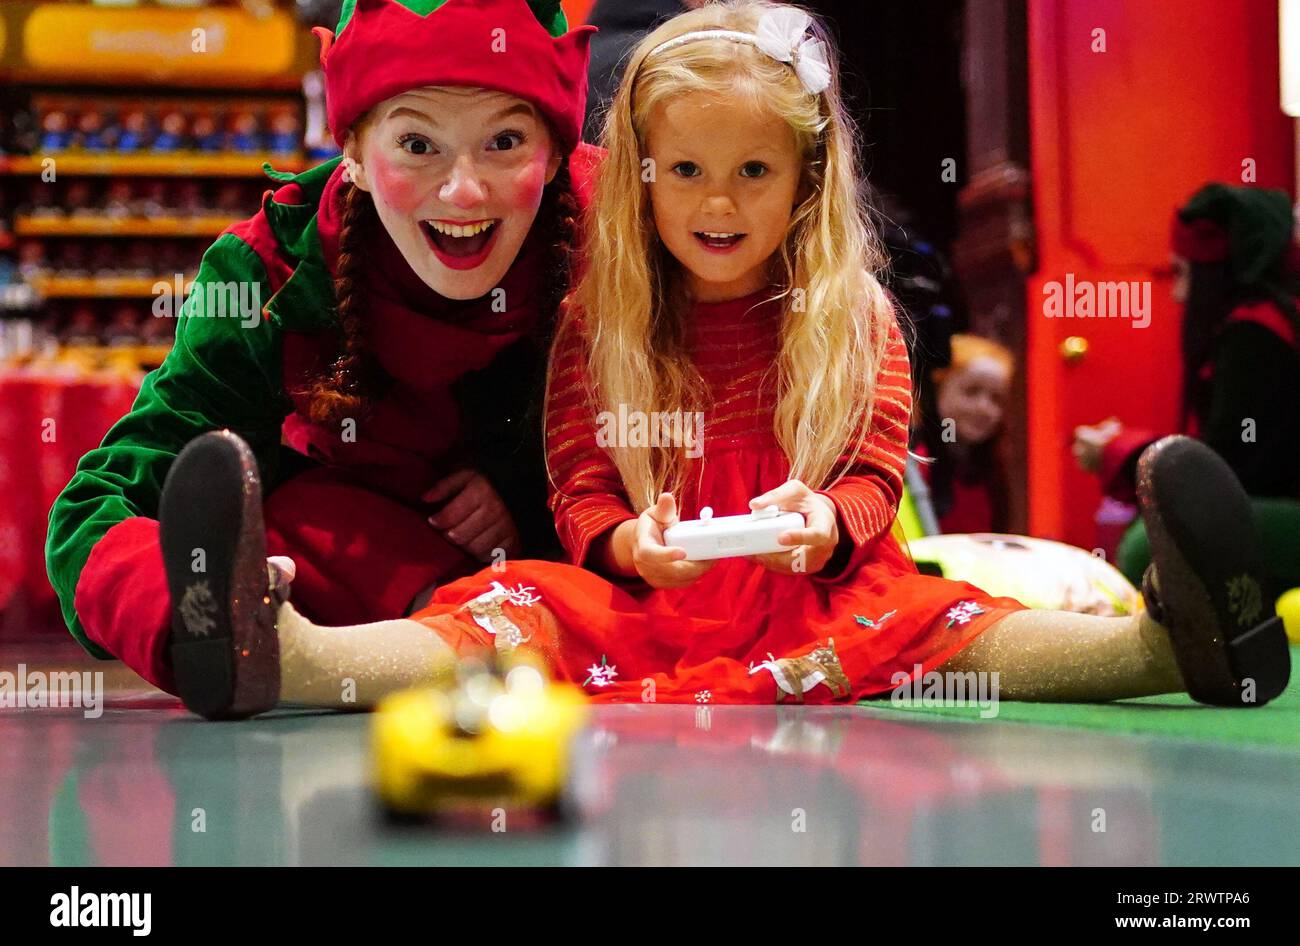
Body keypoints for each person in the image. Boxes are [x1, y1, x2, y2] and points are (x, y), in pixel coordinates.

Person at [159, 0, 1288, 719]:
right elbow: (579, 481)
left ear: (806, 180)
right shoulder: (603, 323)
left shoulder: (853, 319)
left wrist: (824, 523)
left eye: (753, 172)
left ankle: (1166, 640)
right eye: (685, 170)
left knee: (951, 626)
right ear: (635, 175)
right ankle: (287, 655)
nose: (716, 200)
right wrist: (627, 544)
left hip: (816, 601)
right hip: (644, 603)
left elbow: (875, 471)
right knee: (509, 609)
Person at [44, 0, 599, 698]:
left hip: (583, 574)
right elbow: (103, 499)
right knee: (309, 523)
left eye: (505, 142)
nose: (464, 190)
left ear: (554, 155)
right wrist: (195, 614)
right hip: (371, 587)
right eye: (418, 146)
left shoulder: (625, 233)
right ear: (356, 157)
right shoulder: (266, 277)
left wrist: (519, 487)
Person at [1074, 183, 1300, 598]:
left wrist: (1122, 451)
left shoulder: (1255, 334)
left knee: (1150, 545)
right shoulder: (1267, 322)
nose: (1177, 293)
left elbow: (1230, 474)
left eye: (1181, 273)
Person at [913, 333, 1014, 533]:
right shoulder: (915, 461)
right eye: (971, 391)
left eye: (996, 399)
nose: (985, 408)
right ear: (938, 390)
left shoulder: (990, 469)